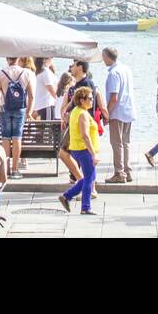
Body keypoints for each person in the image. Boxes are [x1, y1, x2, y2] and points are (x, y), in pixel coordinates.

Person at [57, 86, 99, 215]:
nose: (92, 101)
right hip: (83, 149)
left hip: (77, 148)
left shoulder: (75, 111)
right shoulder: (82, 114)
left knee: (88, 178)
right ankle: (85, 207)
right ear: (82, 100)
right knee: (89, 178)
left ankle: (67, 196)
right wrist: (93, 154)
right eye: (90, 99)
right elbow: (85, 135)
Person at [0, 57, 35, 177]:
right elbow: (31, 95)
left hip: (4, 109)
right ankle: (15, 169)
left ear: (7, 59)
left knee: (6, 138)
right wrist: (29, 112)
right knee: (17, 138)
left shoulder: (1, 73)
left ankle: (6, 169)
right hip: (20, 109)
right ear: (18, 59)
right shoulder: (25, 73)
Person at [101, 47, 135, 184]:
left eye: (103, 57)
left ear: (108, 57)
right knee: (126, 142)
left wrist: (106, 114)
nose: (103, 60)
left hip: (117, 111)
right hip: (128, 109)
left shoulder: (113, 73)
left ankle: (119, 173)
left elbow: (114, 97)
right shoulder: (126, 69)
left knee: (116, 143)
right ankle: (127, 171)